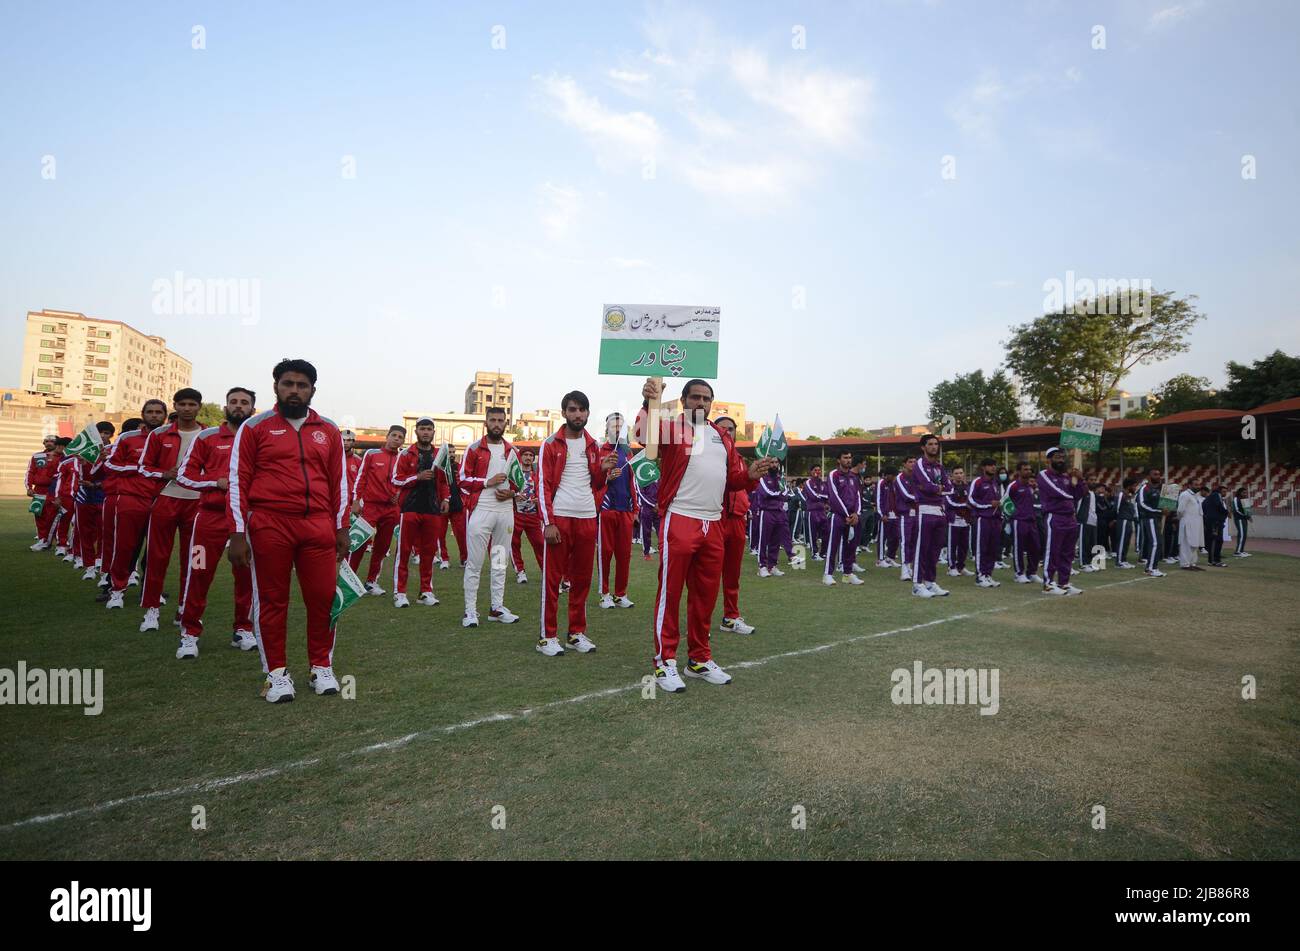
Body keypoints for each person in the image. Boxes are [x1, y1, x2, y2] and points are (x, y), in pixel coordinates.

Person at [635, 378, 772, 692]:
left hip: (713, 523)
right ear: (683, 400)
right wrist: (649, 403)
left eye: (706, 398)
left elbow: (733, 478)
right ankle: (664, 661)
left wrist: (749, 476)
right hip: (680, 517)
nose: (700, 402)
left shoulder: (721, 436)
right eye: (695, 397)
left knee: (705, 597)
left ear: (712, 403)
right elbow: (643, 436)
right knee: (670, 593)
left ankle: (698, 659)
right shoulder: (672, 428)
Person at [228, 358, 349, 703]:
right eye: (288, 384)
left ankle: (321, 666)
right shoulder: (255, 427)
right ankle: (277, 674)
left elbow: (340, 482)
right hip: (270, 523)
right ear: (276, 387)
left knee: (324, 599)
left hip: (317, 525)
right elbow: (238, 480)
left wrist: (341, 527)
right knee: (272, 601)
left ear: (313, 390)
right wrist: (237, 532)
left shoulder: (328, 429)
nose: (294, 391)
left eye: (302, 385)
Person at [174, 387, 258, 658]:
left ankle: (243, 629)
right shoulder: (207, 436)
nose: (238, 406)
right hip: (210, 519)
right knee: (198, 572)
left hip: (246, 520)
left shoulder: (259, 436)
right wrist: (214, 482)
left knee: (246, 576)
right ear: (225, 407)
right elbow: (184, 475)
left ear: (252, 409)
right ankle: (190, 632)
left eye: (244, 402)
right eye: (233, 401)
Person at [536, 391, 610, 654]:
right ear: (564, 413)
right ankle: (547, 636)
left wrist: (603, 471)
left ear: (588, 413)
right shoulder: (550, 444)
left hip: (587, 518)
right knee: (553, 579)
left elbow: (596, 484)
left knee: (582, 579)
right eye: (572, 409)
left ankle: (576, 633)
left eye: (582, 410)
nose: (577, 414)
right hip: (560, 517)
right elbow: (543, 485)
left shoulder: (593, 445)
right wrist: (548, 522)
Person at [137, 387, 206, 632]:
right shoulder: (159, 434)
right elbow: (143, 467)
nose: (187, 409)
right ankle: (151, 609)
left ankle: (186, 609)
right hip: (166, 500)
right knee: (157, 557)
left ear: (199, 407)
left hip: (198, 504)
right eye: (182, 404)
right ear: (175, 406)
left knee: (196, 559)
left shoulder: (209, 435)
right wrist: (164, 474)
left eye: (192, 404)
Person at [103, 399, 169, 609]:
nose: (154, 415)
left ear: (165, 415)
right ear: (143, 414)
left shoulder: (172, 438)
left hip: (163, 499)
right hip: (133, 498)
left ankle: (152, 591)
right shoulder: (128, 437)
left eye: (158, 412)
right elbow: (110, 463)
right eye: (150, 411)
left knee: (157, 551)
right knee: (125, 547)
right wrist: (140, 468)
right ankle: (116, 589)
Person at [460, 407, 521, 628]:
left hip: (505, 512)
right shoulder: (474, 448)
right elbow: (462, 480)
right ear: (486, 423)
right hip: (482, 510)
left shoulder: (512, 450)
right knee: (474, 563)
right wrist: (487, 482)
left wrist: (512, 493)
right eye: (492, 420)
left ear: (506, 423)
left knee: (499, 562)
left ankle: (497, 607)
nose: (497, 424)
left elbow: (519, 482)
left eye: (500, 420)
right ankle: (470, 611)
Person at [389, 418, 451, 607]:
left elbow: (444, 480)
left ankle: (426, 591)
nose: (425, 432)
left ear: (434, 432)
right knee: (404, 551)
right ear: (416, 431)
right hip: (410, 508)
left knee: (429, 552)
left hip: (432, 509)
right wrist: (417, 477)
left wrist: (446, 499)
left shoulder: (440, 455)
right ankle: (400, 592)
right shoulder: (406, 453)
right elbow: (396, 480)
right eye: (422, 429)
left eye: (429, 429)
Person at [711, 416, 756, 635]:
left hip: (737, 520)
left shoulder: (739, 458)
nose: (728, 432)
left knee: (732, 574)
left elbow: (745, 487)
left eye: (731, 428)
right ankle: (700, 621)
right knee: (708, 574)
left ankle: (731, 617)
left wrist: (755, 476)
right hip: (716, 519)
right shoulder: (709, 456)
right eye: (723, 428)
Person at [349, 425, 405, 595]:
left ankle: (372, 582)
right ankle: (350, 581)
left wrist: (399, 494)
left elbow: (406, 481)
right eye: (394, 435)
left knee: (382, 547)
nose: (396, 439)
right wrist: (356, 500)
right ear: (387, 436)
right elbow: (361, 477)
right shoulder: (372, 454)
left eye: (400, 437)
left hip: (391, 509)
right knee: (359, 543)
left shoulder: (403, 458)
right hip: (370, 506)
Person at [596, 413, 637, 609]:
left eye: (621, 425)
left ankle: (621, 594)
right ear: (607, 428)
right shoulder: (599, 450)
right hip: (607, 509)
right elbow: (593, 480)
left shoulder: (628, 452)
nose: (618, 428)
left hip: (625, 510)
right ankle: (604, 594)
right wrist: (607, 478)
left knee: (624, 555)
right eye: (614, 425)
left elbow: (633, 482)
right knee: (605, 554)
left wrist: (635, 508)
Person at [905, 434, 952, 598]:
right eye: (930, 444)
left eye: (936, 444)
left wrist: (937, 489)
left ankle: (930, 582)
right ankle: (917, 585)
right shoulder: (919, 464)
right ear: (923, 447)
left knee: (935, 550)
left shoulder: (939, 466)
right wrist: (936, 488)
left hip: (940, 511)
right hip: (925, 510)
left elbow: (949, 487)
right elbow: (927, 485)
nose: (934, 447)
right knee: (921, 549)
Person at [1038, 447, 1087, 595]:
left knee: (1068, 553)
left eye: (1062, 457)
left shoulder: (1066, 477)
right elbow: (1057, 492)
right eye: (1057, 457)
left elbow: (1080, 494)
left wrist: (1080, 479)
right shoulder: (1044, 475)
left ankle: (1064, 583)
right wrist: (1071, 495)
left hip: (1070, 518)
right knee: (1052, 551)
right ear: (1049, 460)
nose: (1061, 460)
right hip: (1055, 517)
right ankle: (1048, 584)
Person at [73, 422, 115, 580]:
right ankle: (89, 566)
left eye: (106, 433)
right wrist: (82, 462)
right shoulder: (85, 450)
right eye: (100, 432)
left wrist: (98, 484)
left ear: (111, 435)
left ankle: (102, 563)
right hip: (84, 496)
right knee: (84, 532)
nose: (103, 436)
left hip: (103, 496)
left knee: (105, 533)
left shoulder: (114, 450)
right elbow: (80, 474)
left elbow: (113, 475)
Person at [823, 450, 864, 586]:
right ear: (838, 460)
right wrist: (847, 514)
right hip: (838, 516)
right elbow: (834, 496)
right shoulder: (833, 475)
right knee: (833, 545)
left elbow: (858, 496)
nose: (848, 460)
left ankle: (848, 574)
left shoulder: (854, 477)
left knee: (851, 546)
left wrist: (856, 513)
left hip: (852, 517)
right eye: (845, 458)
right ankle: (828, 575)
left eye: (850, 457)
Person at [510, 447, 545, 583]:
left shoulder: (538, 474)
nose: (528, 457)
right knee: (514, 544)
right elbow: (506, 489)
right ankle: (520, 571)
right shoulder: (514, 473)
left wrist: (539, 500)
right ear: (520, 457)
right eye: (525, 454)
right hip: (516, 515)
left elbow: (544, 491)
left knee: (540, 544)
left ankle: (546, 572)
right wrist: (514, 495)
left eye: (531, 455)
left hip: (533, 516)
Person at [967, 458, 1002, 588]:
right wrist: (988, 505)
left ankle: (988, 574)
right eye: (990, 465)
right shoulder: (978, 482)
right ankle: (980, 576)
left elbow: (998, 501)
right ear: (983, 467)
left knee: (992, 548)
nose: (993, 467)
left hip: (995, 520)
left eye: (994, 465)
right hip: (982, 519)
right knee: (982, 548)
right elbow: (970, 500)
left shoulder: (995, 483)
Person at [1007, 461, 1043, 583]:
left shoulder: (1031, 486)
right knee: (1019, 547)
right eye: (1025, 469)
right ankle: (1019, 573)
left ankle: (1032, 572)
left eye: (1029, 469)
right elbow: (1005, 502)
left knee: (1036, 547)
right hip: (1019, 521)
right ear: (1019, 471)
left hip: (1032, 521)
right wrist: (1011, 518)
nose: (1028, 471)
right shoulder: (1013, 486)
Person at [25, 434, 61, 550]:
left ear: (57, 443)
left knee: (52, 516)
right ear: (43, 443)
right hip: (38, 490)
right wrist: (29, 487)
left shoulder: (62, 457)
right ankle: (42, 539)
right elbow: (30, 472)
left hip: (53, 490)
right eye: (46, 441)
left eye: (52, 441)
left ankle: (51, 541)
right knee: (39, 515)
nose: (49, 443)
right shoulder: (37, 456)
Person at [756, 464, 792, 577]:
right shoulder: (762, 479)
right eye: (772, 462)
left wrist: (778, 495)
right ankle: (762, 566)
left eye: (776, 462)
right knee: (763, 540)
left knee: (776, 541)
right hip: (767, 511)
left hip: (779, 512)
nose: (774, 465)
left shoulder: (781, 479)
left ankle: (772, 566)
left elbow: (786, 494)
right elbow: (766, 493)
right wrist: (779, 494)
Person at [1136, 468, 1168, 577]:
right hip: (1149, 518)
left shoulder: (1159, 489)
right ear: (1149, 477)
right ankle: (1150, 569)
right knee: (1155, 543)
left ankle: (1152, 567)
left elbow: (1164, 505)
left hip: (1157, 519)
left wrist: (1167, 508)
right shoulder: (1144, 488)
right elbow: (1141, 505)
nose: (1158, 476)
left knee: (1158, 543)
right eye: (1155, 474)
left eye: (1159, 474)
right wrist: (1159, 511)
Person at [944, 466, 974, 579]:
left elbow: (972, 500)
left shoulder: (967, 487)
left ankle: (961, 566)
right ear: (952, 475)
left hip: (965, 521)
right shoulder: (949, 488)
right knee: (952, 545)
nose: (959, 475)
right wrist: (965, 505)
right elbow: (949, 503)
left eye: (961, 473)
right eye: (956, 473)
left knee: (964, 546)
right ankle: (951, 567)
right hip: (954, 521)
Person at [895, 457, 919, 582]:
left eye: (914, 462)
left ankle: (912, 567)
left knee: (915, 541)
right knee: (905, 541)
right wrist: (921, 498)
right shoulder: (900, 477)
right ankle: (904, 568)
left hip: (918, 513)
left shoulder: (918, 477)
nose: (913, 464)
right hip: (905, 514)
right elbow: (905, 495)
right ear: (904, 464)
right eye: (910, 462)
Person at [1176, 478, 1205, 571]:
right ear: (1189, 485)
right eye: (1195, 485)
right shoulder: (1185, 494)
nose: (1198, 487)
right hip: (1187, 522)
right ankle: (1185, 564)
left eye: (1199, 485)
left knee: (1194, 544)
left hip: (1196, 523)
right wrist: (1184, 520)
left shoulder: (1196, 496)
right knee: (1186, 544)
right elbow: (1180, 510)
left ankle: (1192, 563)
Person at [876, 465, 900, 567]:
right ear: (888, 475)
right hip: (885, 515)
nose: (894, 478)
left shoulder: (895, 484)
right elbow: (878, 499)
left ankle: (890, 557)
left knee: (896, 537)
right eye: (893, 476)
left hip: (895, 515)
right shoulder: (881, 483)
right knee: (882, 538)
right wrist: (882, 514)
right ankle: (880, 560)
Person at [1074, 480, 1100, 573]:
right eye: (1091, 480)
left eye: (1094, 480)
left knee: (1090, 543)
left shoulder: (1093, 494)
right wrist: (1077, 517)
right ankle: (1082, 564)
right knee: (1083, 543)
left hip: (1092, 521)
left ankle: (1088, 562)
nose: (1093, 481)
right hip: (1084, 520)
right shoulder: (1083, 493)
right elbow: (1077, 505)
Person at [1113, 476, 1139, 568]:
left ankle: (1123, 560)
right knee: (1122, 540)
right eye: (1134, 486)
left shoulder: (1130, 496)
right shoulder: (1121, 494)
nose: (1135, 488)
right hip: (1123, 520)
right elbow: (1116, 508)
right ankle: (1119, 561)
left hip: (1129, 520)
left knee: (1126, 541)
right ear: (1129, 486)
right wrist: (1116, 519)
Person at [1202, 484, 1229, 568]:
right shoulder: (1216, 495)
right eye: (1223, 491)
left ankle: (1212, 560)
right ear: (1219, 491)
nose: (1225, 493)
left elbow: (1203, 505)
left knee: (1214, 540)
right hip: (1215, 522)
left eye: (1226, 492)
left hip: (1212, 521)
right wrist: (1226, 512)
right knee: (1216, 540)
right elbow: (1219, 506)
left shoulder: (1209, 497)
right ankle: (1215, 561)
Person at [637, 472, 659, 559]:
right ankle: (646, 553)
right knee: (646, 531)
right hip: (647, 508)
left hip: (658, 508)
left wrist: (659, 504)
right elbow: (641, 493)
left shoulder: (658, 475)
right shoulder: (641, 476)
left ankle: (662, 549)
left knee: (661, 530)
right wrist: (653, 504)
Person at [342, 429, 362, 511]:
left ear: (353, 442)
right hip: (335, 501)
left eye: (349, 440)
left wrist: (357, 501)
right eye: (343, 440)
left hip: (352, 503)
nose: (345, 443)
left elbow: (362, 482)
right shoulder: (332, 459)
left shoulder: (359, 461)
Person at [1231, 488, 1252, 557]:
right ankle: (1237, 552)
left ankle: (1241, 550)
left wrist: (1249, 516)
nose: (1245, 494)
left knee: (1244, 535)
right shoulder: (1236, 499)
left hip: (1244, 519)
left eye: (1246, 493)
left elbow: (1247, 510)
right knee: (1242, 535)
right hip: (1239, 519)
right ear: (1239, 493)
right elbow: (1236, 510)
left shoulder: (1245, 500)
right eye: (1243, 493)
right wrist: (1245, 516)